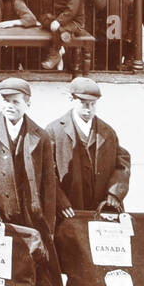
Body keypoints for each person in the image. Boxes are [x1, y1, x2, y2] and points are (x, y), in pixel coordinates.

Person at [0, 77, 59, 283]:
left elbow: (49, 183)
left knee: (23, 266)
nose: (9, 106)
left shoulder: (40, 136)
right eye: (6, 100)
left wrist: (48, 223)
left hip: (26, 215)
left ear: (28, 104)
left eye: (16, 102)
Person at [45, 78, 130, 216]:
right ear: (71, 99)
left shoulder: (107, 132)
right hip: (68, 209)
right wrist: (59, 200)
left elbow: (122, 163)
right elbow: (47, 172)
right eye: (83, 104)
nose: (88, 109)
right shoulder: (54, 131)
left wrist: (114, 193)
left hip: (102, 207)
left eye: (93, 104)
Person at [40, 0, 85, 70]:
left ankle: (55, 54)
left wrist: (58, 22)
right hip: (61, 18)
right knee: (44, 18)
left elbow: (71, 11)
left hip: (74, 22)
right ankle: (66, 36)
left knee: (57, 28)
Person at [99, 0, 136, 71]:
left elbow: (133, 19)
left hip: (118, 39)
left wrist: (129, 36)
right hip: (101, 37)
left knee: (113, 65)